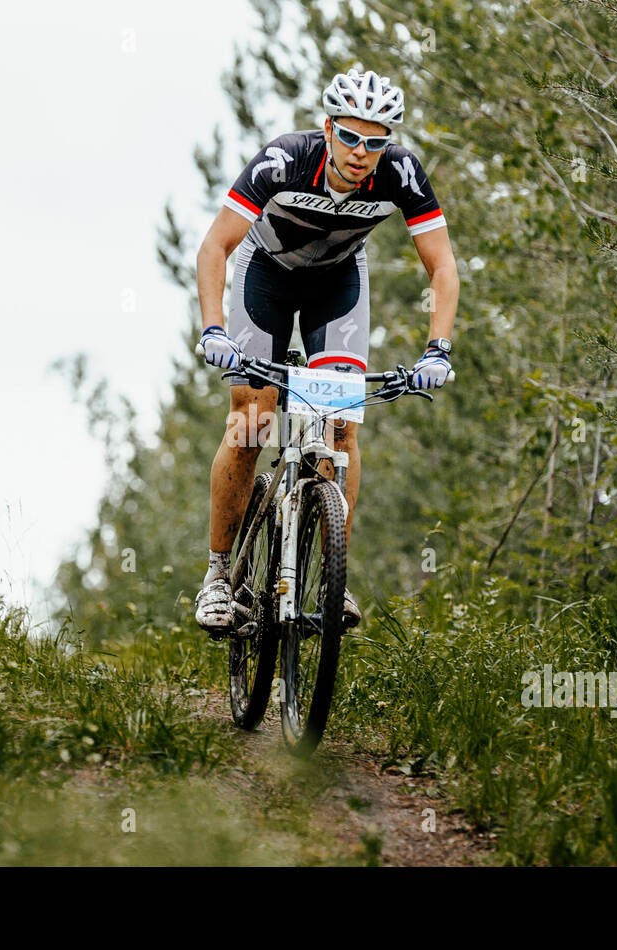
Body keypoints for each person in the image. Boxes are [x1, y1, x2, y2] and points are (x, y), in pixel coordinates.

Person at [193, 68, 458, 633]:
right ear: (328, 128)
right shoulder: (283, 161)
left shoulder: (402, 173)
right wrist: (213, 330)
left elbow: (442, 265)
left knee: (341, 427)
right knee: (252, 422)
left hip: (336, 285)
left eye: (377, 140)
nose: (363, 153)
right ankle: (218, 574)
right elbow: (215, 246)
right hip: (265, 276)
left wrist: (438, 349)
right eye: (351, 136)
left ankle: (333, 576)